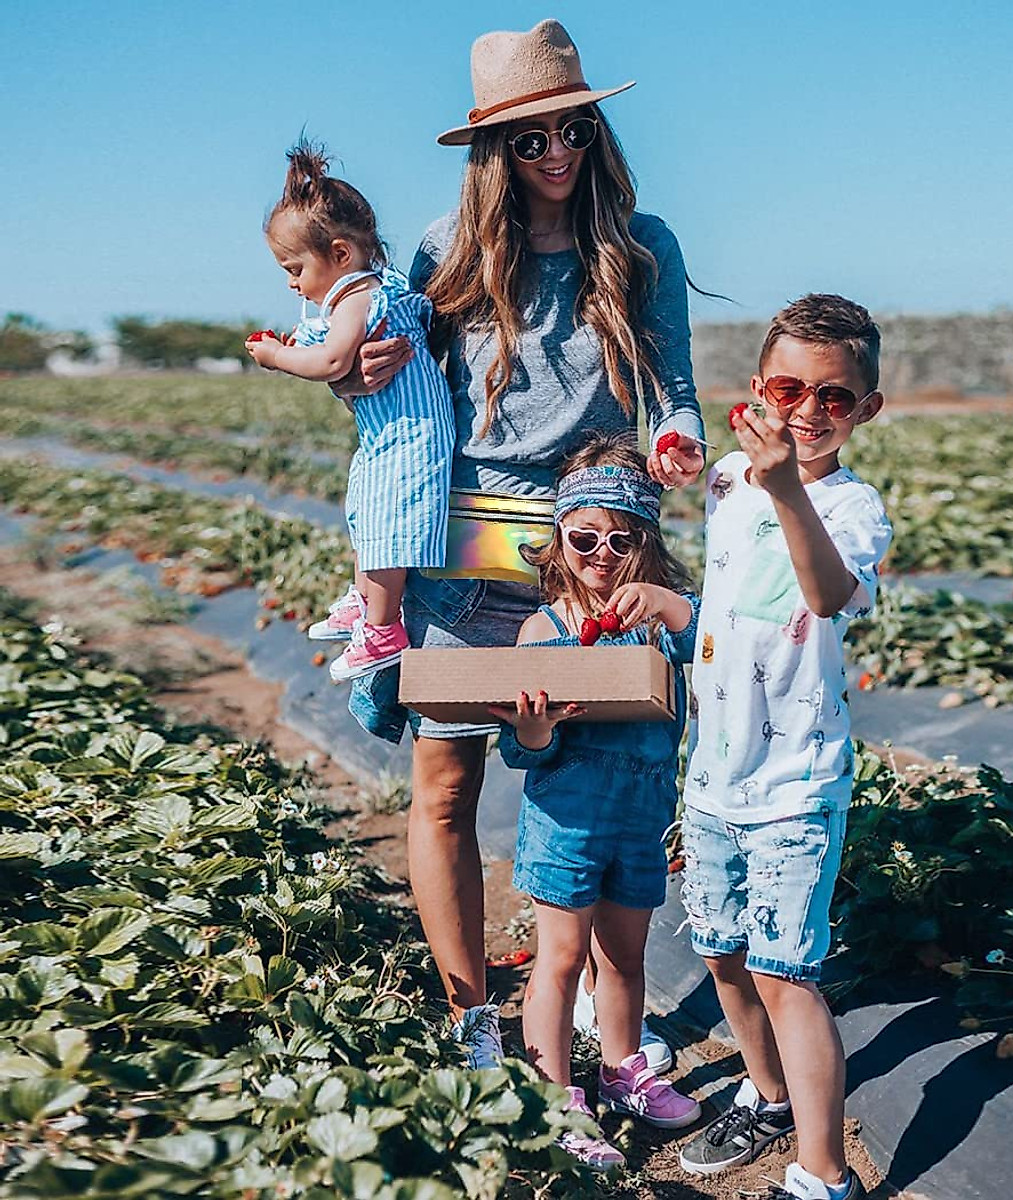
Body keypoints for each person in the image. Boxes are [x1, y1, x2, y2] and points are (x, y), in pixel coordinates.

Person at [338, 19, 706, 1069]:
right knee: (447, 788)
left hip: (593, 550)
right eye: (531, 138)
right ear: (493, 150)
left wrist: (677, 436)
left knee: (595, 777)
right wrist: (356, 375)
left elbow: (674, 387)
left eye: (573, 131)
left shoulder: (641, 246)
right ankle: (471, 1013)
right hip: (465, 559)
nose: (555, 153)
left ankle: (594, 991)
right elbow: (397, 395)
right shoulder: (444, 251)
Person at [676, 295, 892, 1200]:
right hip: (712, 773)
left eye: (833, 397)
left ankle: (822, 1175)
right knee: (721, 953)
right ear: (759, 389)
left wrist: (788, 488)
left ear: (865, 409)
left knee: (785, 974)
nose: (808, 410)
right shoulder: (729, 479)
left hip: (796, 782)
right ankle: (766, 1095)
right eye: (788, 389)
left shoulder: (852, 506)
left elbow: (827, 594)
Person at [488, 433, 702, 1168]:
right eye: (584, 537)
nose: (602, 553)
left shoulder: (659, 628)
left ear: (645, 543)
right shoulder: (542, 631)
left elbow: (723, 643)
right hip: (566, 822)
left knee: (625, 957)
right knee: (561, 958)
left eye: (621, 538)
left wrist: (671, 605)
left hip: (642, 817)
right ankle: (555, 1102)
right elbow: (521, 750)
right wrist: (535, 729)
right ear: (559, 540)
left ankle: (621, 1072)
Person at [246, 140, 454, 683]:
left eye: (295, 268)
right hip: (389, 432)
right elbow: (338, 359)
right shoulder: (352, 296)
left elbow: (335, 359)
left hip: (411, 434)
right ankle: (365, 602)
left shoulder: (358, 295)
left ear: (340, 254)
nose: (291, 282)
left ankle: (383, 629)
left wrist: (277, 358)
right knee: (365, 510)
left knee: (386, 524)